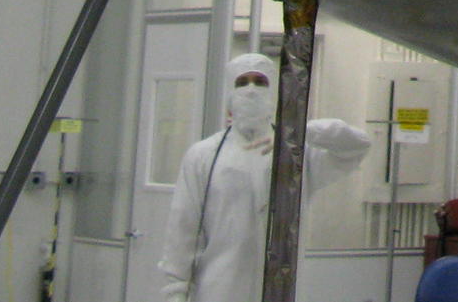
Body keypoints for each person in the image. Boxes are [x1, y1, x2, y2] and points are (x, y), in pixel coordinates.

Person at [158, 52, 371, 302]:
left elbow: (357, 145)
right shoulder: (203, 156)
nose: (251, 90)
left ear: (273, 92)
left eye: (260, 82)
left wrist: (300, 132)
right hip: (219, 290)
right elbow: (183, 231)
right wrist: (175, 294)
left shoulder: (296, 154)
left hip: (279, 290)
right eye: (242, 82)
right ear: (230, 93)